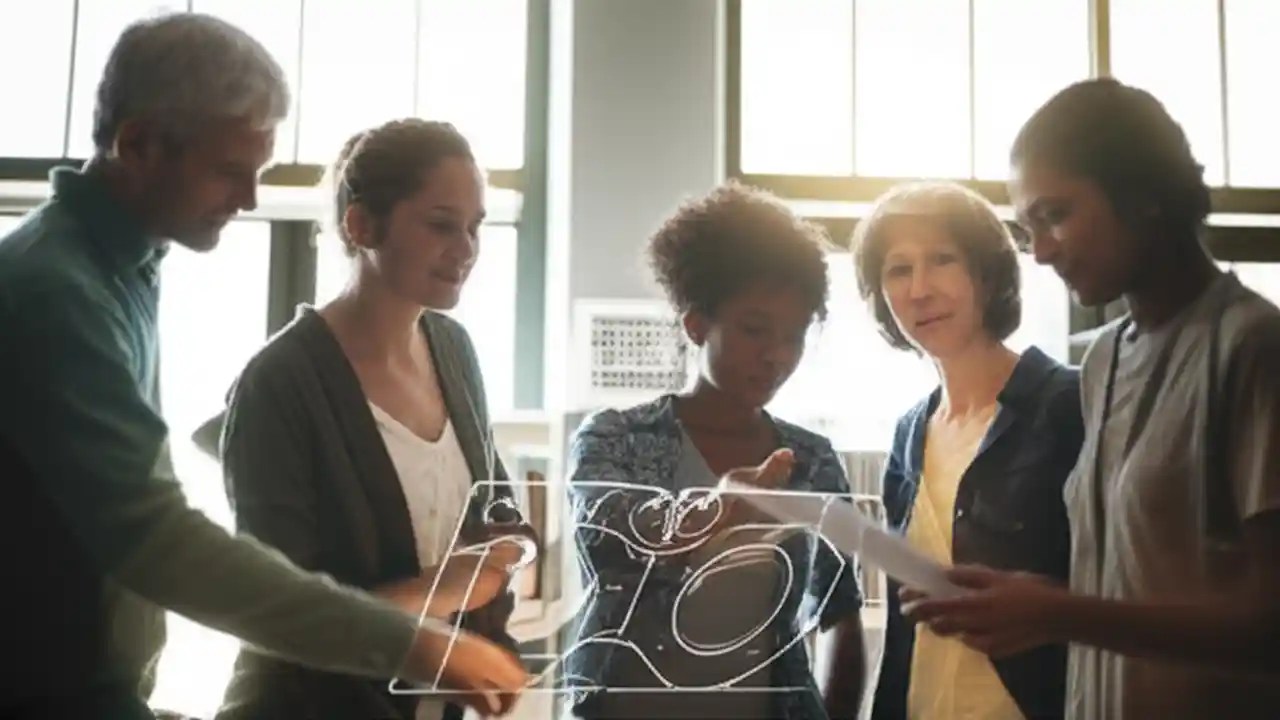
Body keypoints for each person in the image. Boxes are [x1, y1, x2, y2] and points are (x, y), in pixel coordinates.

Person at [0, 13, 525, 719]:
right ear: (139, 145)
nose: (249, 200)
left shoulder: (123, 268)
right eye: (229, 171)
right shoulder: (56, 292)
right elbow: (158, 539)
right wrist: (416, 641)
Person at [905, 78, 1280, 718]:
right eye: (1029, 227)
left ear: (1144, 194)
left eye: (1056, 214)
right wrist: (1041, 600)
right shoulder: (1103, 358)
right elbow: (1132, 576)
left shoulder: (1251, 347)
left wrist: (1061, 613)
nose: (1044, 251)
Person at [211, 119, 535, 720]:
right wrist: (441, 592)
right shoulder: (279, 383)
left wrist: (505, 562)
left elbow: (499, 519)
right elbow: (280, 618)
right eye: (441, 225)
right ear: (361, 225)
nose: (466, 249)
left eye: (475, 227)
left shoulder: (454, 350)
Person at [563, 182, 867, 719]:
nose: (776, 355)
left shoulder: (811, 458)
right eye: (755, 330)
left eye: (794, 336)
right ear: (697, 323)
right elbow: (610, 547)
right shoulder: (614, 438)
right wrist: (718, 509)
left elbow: (840, 611)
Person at [851, 182, 1082, 720]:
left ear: (988, 274)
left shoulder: (1068, 403)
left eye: (942, 260)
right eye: (897, 270)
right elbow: (904, 625)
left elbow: (1123, 580)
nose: (920, 289)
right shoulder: (911, 430)